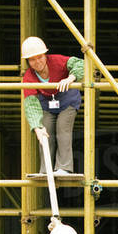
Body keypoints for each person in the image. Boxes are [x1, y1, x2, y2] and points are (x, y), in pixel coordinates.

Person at [20, 36, 85, 175]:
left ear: (45, 55)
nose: (37, 62)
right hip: (47, 105)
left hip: (67, 100)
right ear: (28, 61)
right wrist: (37, 127)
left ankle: (64, 168)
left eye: (40, 57)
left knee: (62, 129)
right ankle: (46, 171)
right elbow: (31, 104)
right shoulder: (28, 77)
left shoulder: (57, 61)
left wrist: (71, 78)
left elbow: (81, 64)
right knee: (45, 133)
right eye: (32, 59)